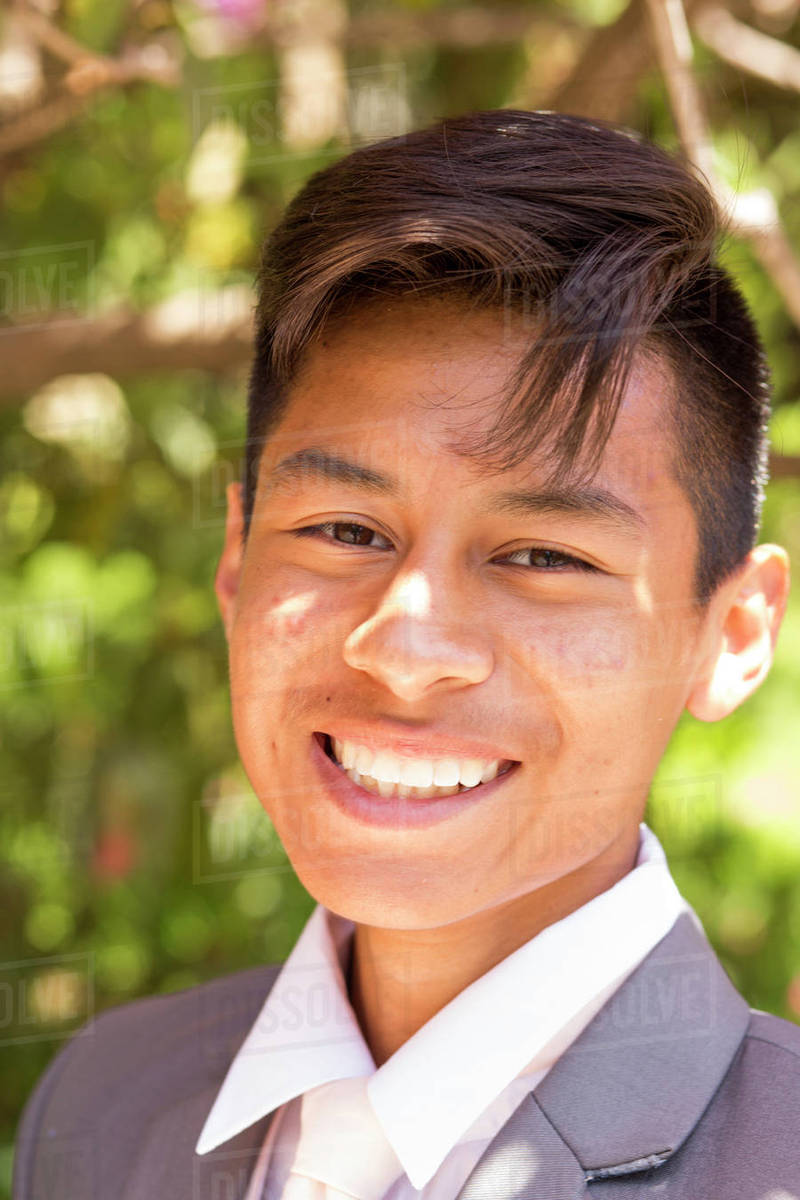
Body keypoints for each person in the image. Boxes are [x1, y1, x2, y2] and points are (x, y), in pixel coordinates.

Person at [12, 108, 798, 1200]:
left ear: (733, 635)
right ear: (237, 560)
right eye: (343, 532)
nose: (405, 646)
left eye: (540, 553)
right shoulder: (105, 1101)